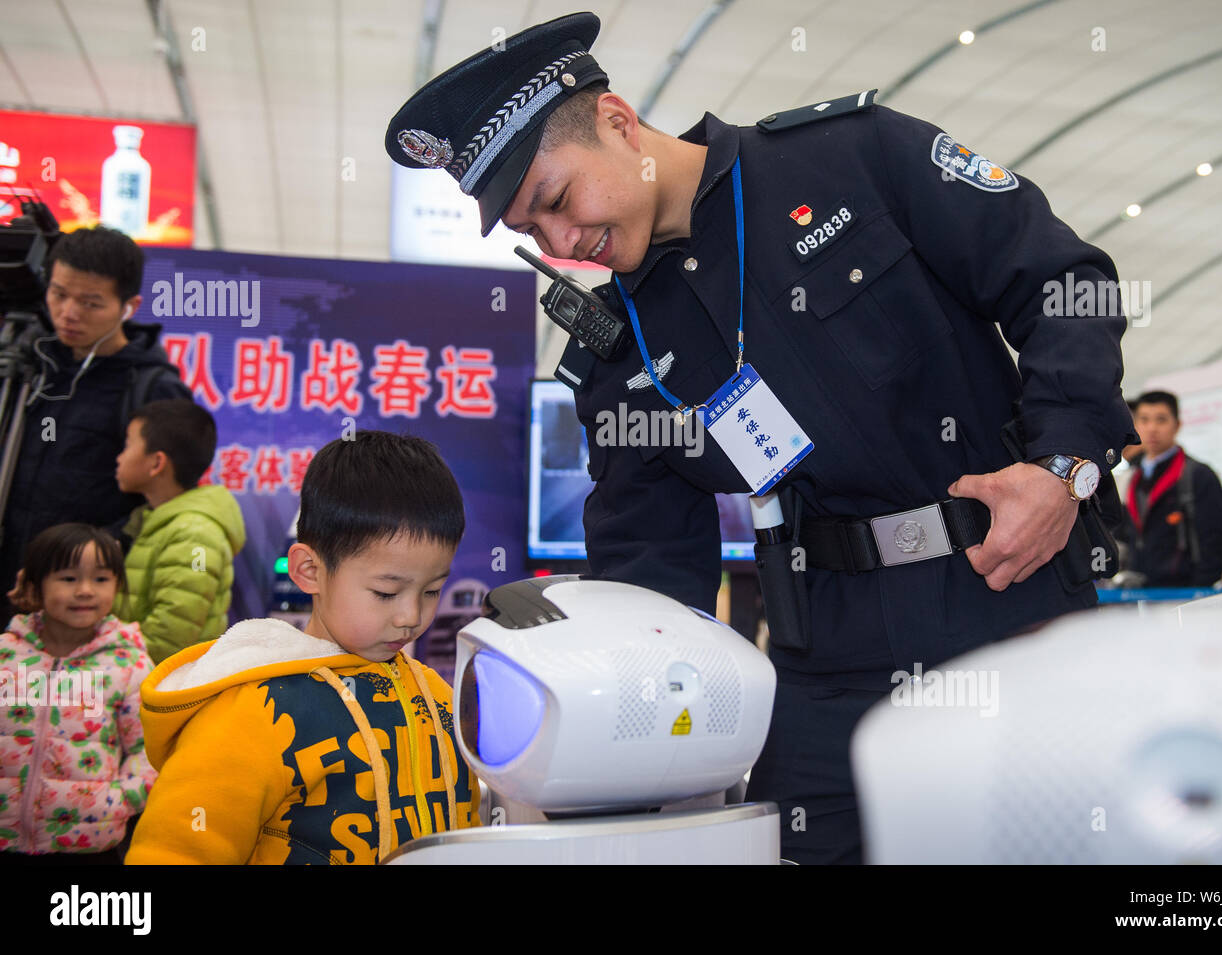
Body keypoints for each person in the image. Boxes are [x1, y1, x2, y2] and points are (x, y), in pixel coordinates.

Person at [386, 12, 1136, 863]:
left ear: (618, 122)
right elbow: (651, 577)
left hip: (1011, 598)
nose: (562, 242)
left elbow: (1064, 284)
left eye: (558, 200)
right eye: (532, 233)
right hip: (824, 659)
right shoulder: (615, 353)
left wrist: (1062, 468)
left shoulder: (854, 158)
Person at [125, 431, 480, 864]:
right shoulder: (252, 709)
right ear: (309, 570)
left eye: (431, 590)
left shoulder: (434, 695)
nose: (411, 616)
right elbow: (176, 851)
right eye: (387, 593)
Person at [0, 226, 192, 623]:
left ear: (129, 305)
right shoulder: (26, 364)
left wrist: (78, 563)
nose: (69, 313)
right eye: (59, 294)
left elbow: (164, 503)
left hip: (78, 602)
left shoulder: (152, 388)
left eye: (91, 302)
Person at [0, 523, 154, 864]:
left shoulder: (128, 664)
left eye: (100, 579)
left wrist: (119, 800)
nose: (85, 590)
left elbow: (149, 748)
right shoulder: (7, 656)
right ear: (35, 585)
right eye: (68, 578)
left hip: (87, 843)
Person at [112, 399, 246, 663]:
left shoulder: (193, 535)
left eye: (127, 445)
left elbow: (169, 640)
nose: (119, 457)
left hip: (162, 690)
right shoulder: (160, 522)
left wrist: (103, 660)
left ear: (156, 463)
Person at [1118, 391, 1222, 587]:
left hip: (1187, 591)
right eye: (1144, 420)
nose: (1152, 428)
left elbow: (1214, 539)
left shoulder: (1198, 475)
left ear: (1177, 425)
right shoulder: (1132, 477)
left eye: (1161, 420)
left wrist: (1202, 588)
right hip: (1143, 591)